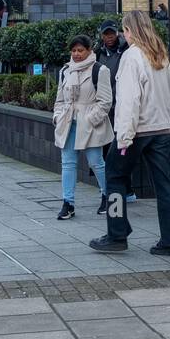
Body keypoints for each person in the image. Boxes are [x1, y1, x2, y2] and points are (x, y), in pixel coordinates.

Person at [89, 10, 170, 257]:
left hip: (136, 131)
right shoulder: (160, 55)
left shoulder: (132, 56)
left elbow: (129, 100)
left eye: (124, 30)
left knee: (114, 178)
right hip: (161, 129)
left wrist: (124, 136)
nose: (123, 35)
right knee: (164, 186)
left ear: (130, 31)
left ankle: (116, 235)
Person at [52, 34, 113, 219]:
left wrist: (91, 120)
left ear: (89, 50)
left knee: (96, 162)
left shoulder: (99, 70)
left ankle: (107, 196)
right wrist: (57, 116)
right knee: (68, 164)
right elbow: (60, 99)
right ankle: (67, 203)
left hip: (90, 124)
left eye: (80, 50)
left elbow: (105, 101)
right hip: (68, 123)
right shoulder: (65, 71)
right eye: (74, 50)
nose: (77, 54)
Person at [95, 21, 136, 203]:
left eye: (112, 33)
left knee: (122, 151)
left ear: (118, 33)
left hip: (122, 107)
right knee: (107, 152)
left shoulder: (127, 51)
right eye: (106, 34)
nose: (109, 37)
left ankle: (124, 192)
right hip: (105, 108)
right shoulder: (98, 53)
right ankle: (112, 192)